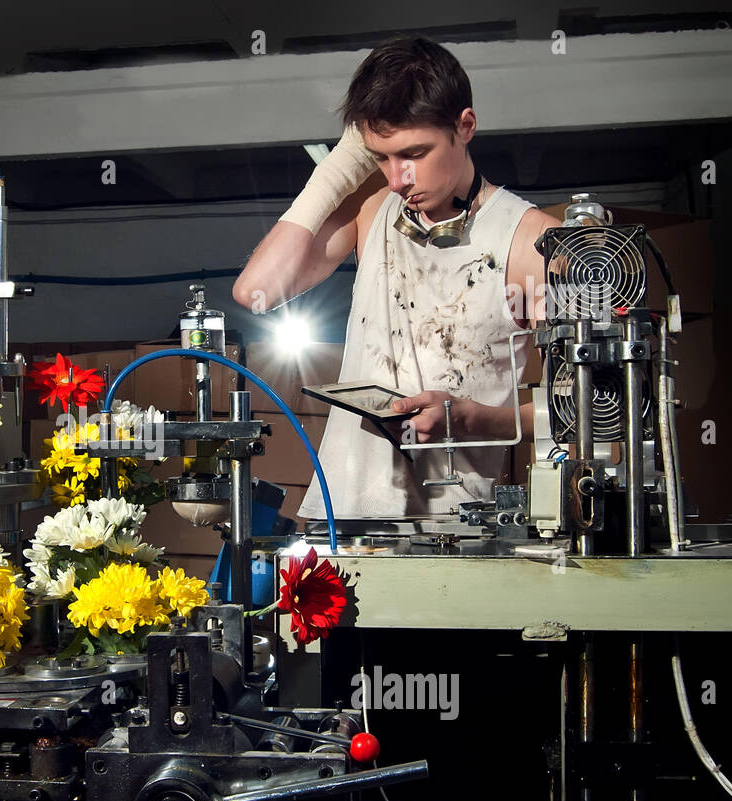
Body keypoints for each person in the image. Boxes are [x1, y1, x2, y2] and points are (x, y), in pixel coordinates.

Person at [232, 36, 559, 519]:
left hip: (456, 530)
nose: (395, 179)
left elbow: (584, 415)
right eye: (380, 157)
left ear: (465, 126)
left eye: (414, 153)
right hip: (340, 521)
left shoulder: (532, 242)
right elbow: (256, 290)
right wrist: (344, 162)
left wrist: (469, 419)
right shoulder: (373, 208)